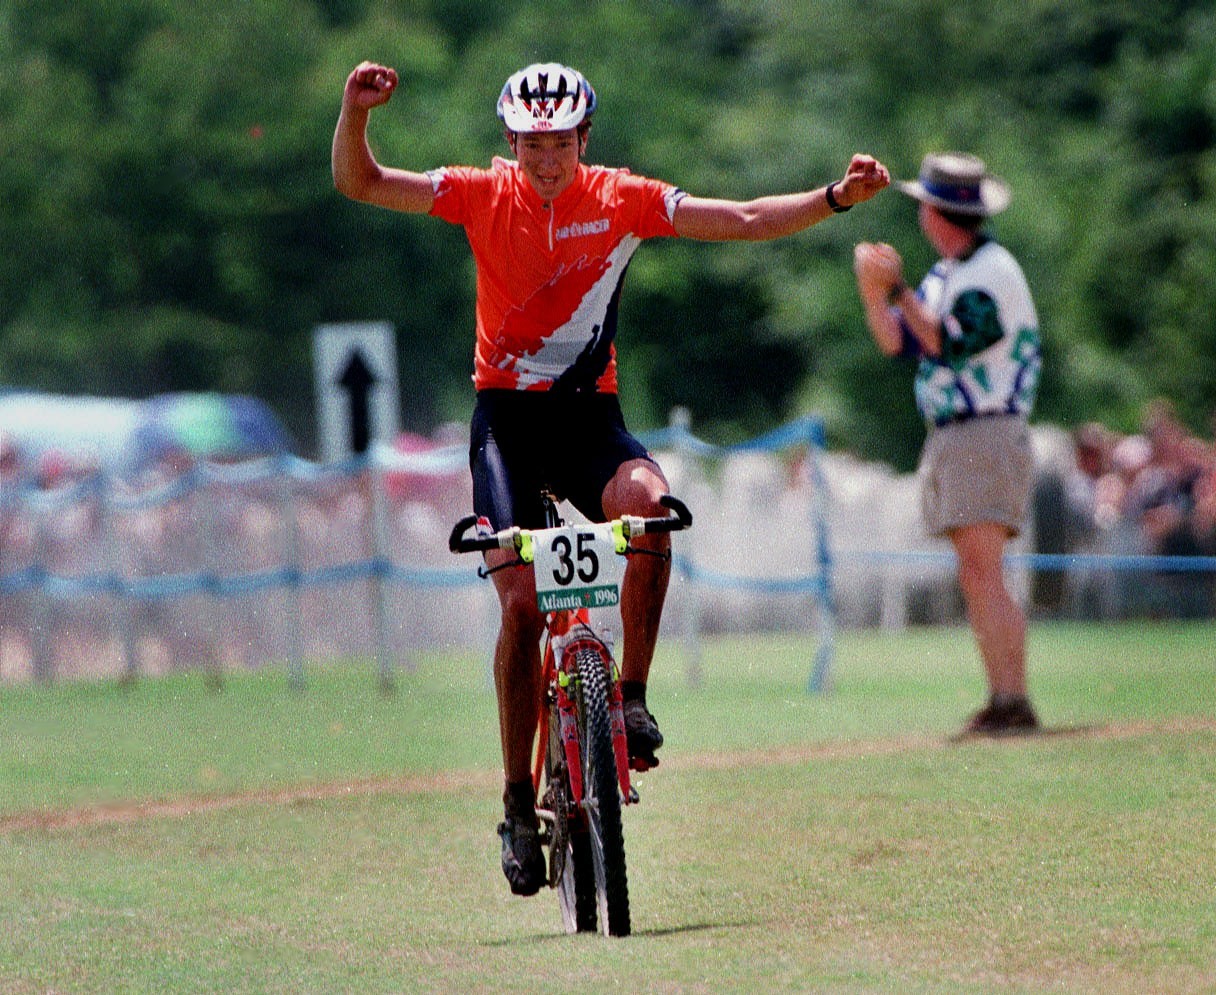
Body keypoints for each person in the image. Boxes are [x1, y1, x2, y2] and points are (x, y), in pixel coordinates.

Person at [334, 60, 890, 895]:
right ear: (511, 144)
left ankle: (628, 695)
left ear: (584, 141)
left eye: (559, 143)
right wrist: (354, 113)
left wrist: (834, 199)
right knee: (521, 608)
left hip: (590, 423)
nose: (545, 159)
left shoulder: (622, 198)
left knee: (653, 509)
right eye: (530, 144)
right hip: (508, 427)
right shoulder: (482, 195)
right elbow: (363, 183)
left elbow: (738, 217)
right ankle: (518, 804)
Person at [852, 152, 1042, 737]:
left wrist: (899, 287)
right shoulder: (949, 272)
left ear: (940, 214)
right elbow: (897, 342)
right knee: (977, 571)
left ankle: (1011, 700)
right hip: (961, 434)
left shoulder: (990, 272)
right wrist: (873, 293)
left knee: (984, 570)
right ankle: (1004, 697)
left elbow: (947, 343)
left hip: (984, 430)